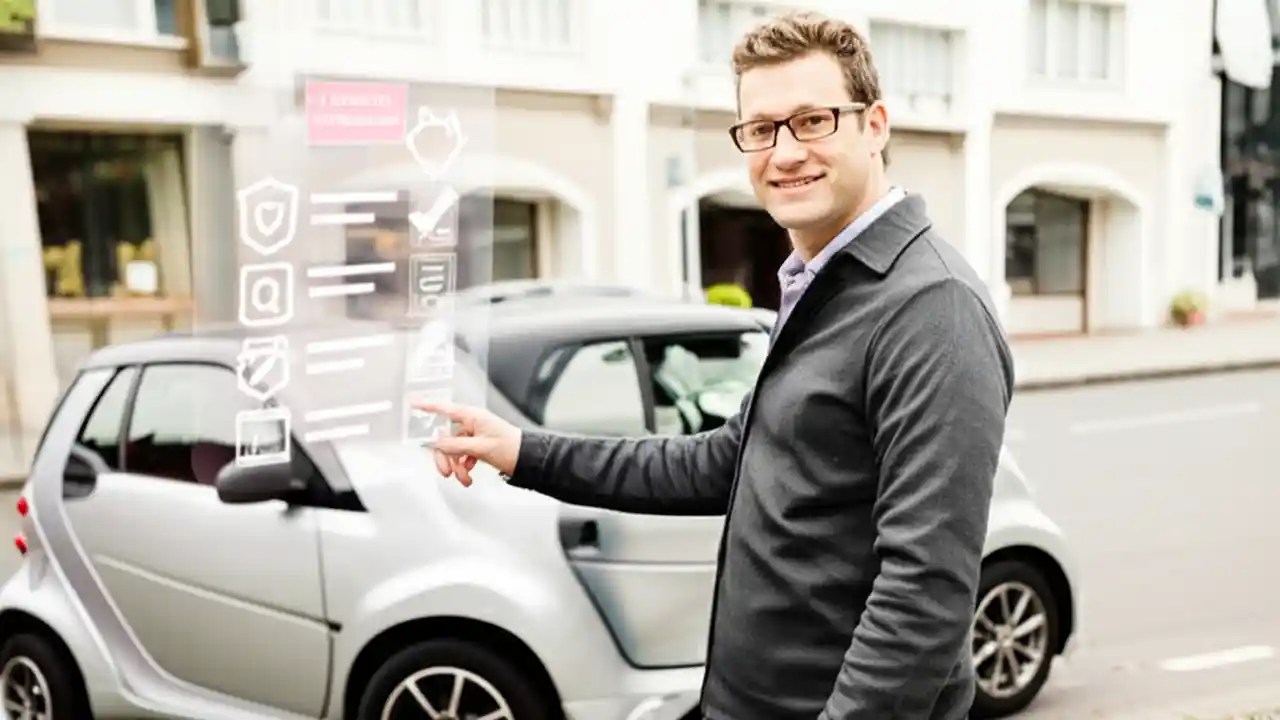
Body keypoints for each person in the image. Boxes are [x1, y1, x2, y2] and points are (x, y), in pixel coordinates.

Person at [417, 10, 1015, 720]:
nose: (784, 152)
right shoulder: (821, 282)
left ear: (875, 124)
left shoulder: (931, 308)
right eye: (760, 129)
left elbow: (923, 598)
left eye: (813, 120)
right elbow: (722, 464)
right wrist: (521, 450)